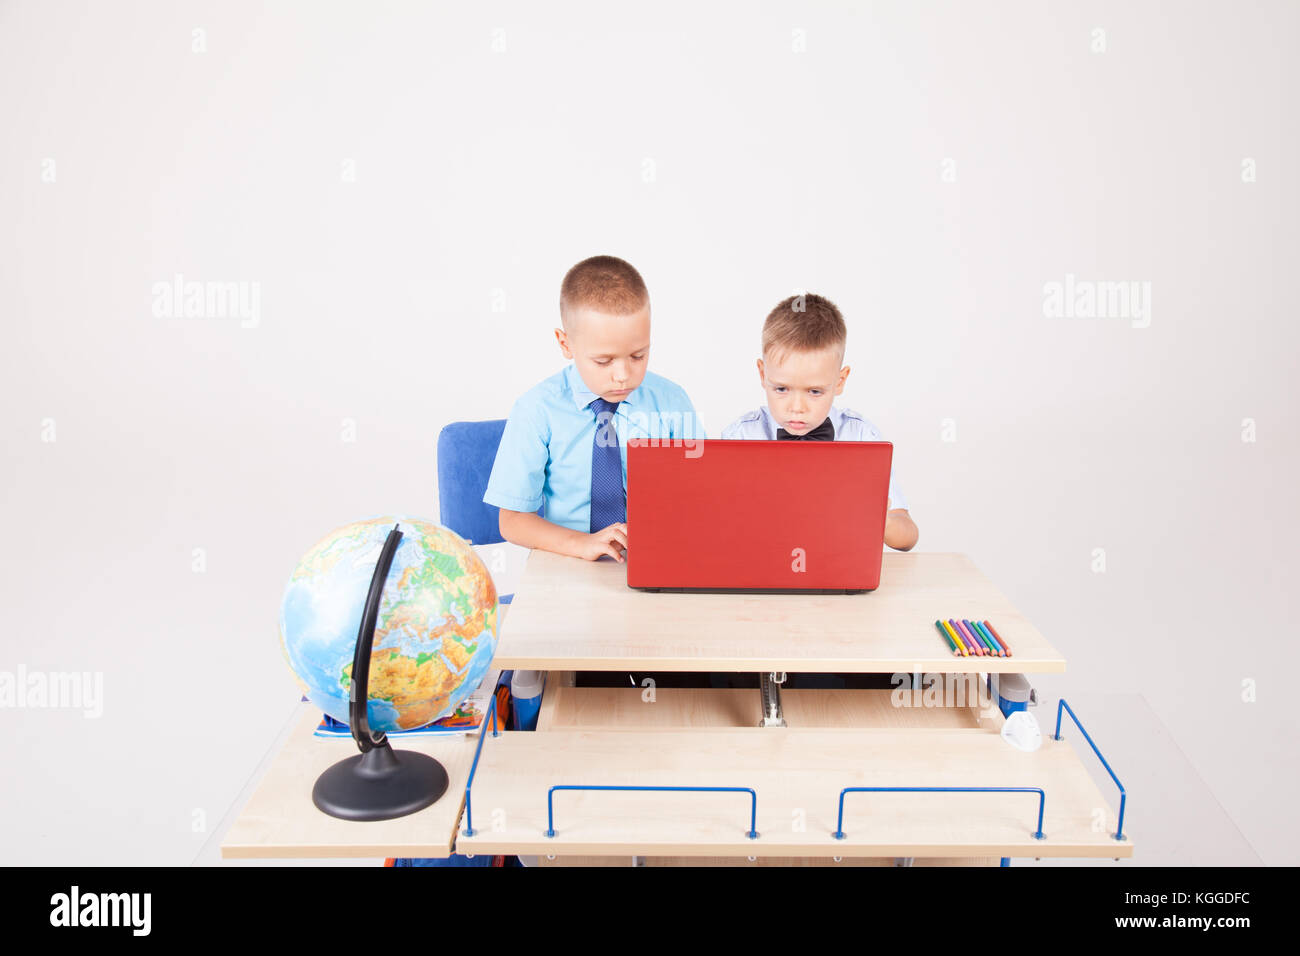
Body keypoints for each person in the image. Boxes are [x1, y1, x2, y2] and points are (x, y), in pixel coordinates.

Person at [484, 254, 707, 689]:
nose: (623, 375)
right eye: (603, 361)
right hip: (568, 570)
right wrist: (582, 544)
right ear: (565, 343)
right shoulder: (537, 410)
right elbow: (512, 520)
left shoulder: (670, 401)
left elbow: (699, 498)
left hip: (654, 576)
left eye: (638, 355)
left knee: (691, 667)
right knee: (581, 677)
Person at [717, 292, 919, 690]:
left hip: (841, 599)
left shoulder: (861, 437)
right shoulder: (739, 436)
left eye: (814, 392)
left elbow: (907, 536)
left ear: (840, 381)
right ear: (762, 373)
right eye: (781, 389)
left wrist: (869, 516)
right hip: (758, 596)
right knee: (725, 669)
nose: (797, 408)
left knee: (881, 678)